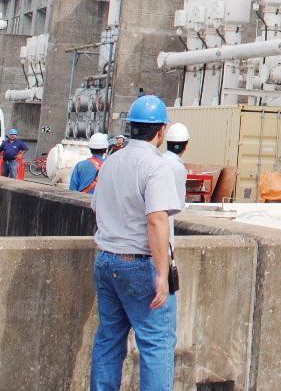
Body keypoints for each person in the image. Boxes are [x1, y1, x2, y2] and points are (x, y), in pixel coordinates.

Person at [89, 95, 182, 391]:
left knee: (109, 339)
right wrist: (162, 274)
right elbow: (156, 221)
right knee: (156, 344)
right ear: (161, 130)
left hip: (106, 259)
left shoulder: (111, 162)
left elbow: (97, 208)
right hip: (139, 264)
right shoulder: (155, 166)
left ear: (131, 127)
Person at [161, 123, 190, 206]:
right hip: (167, 212)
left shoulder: (157, 159)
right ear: (186, 146)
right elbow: (179, 202)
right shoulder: (179, 168)